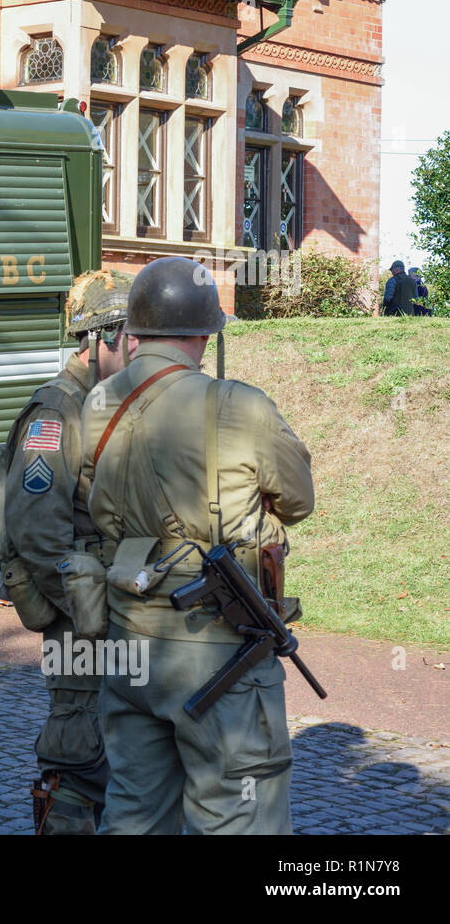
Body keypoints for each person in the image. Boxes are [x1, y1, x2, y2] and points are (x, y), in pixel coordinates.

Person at [80, 256, 314, 834]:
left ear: (135, 333)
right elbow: (297, 501)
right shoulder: (239, 406)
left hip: (130, 642)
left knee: (134, 814)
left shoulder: (98, 404)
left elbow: (93, 499)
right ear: (206, 334)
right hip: (219, 651)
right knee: (240, 816)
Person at [0, 268, 135, 835]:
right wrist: (87, 608)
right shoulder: (57, 412)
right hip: (80, 622)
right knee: (78, 754)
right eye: (132, 336)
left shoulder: (109, 400)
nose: (140, 350)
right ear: (101, 337)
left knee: (123, 754)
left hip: (115, 609)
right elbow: (36, 532)